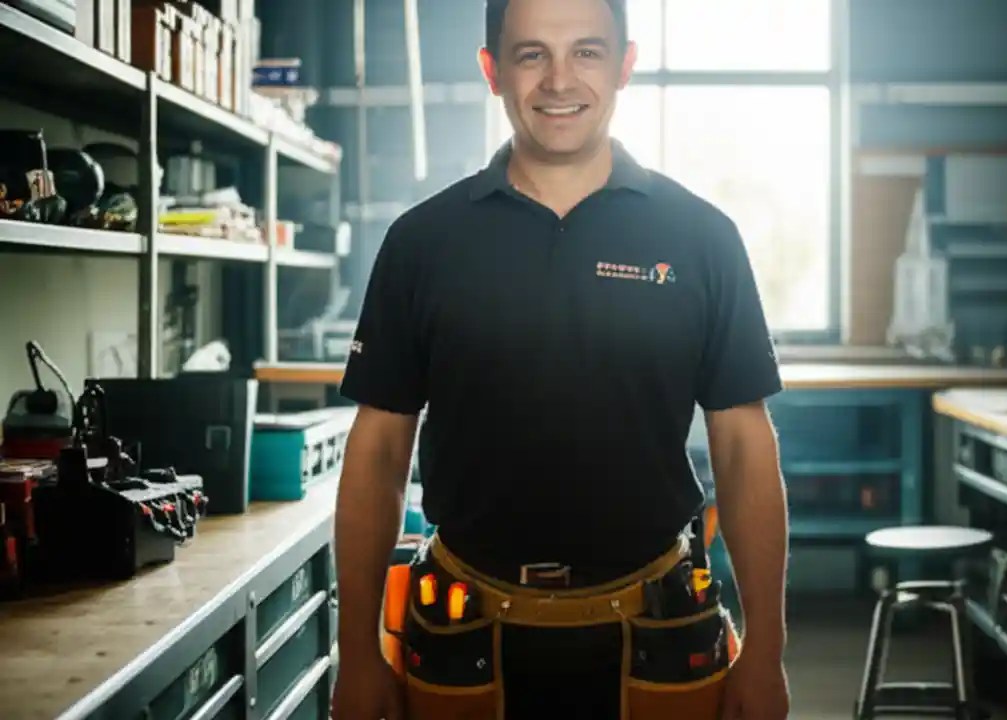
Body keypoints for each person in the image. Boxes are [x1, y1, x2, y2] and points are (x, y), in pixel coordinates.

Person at [329, 0, 790, 718]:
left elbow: (746, 450)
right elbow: (378, 453)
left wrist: (766, 650)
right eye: (531, 54)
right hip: (466, 636)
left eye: (586, 52)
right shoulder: (424, 242)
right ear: (492, 71)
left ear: (625, 64)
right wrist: (356, 651)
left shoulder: (701, 237)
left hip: (656, 636)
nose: (558, 80)